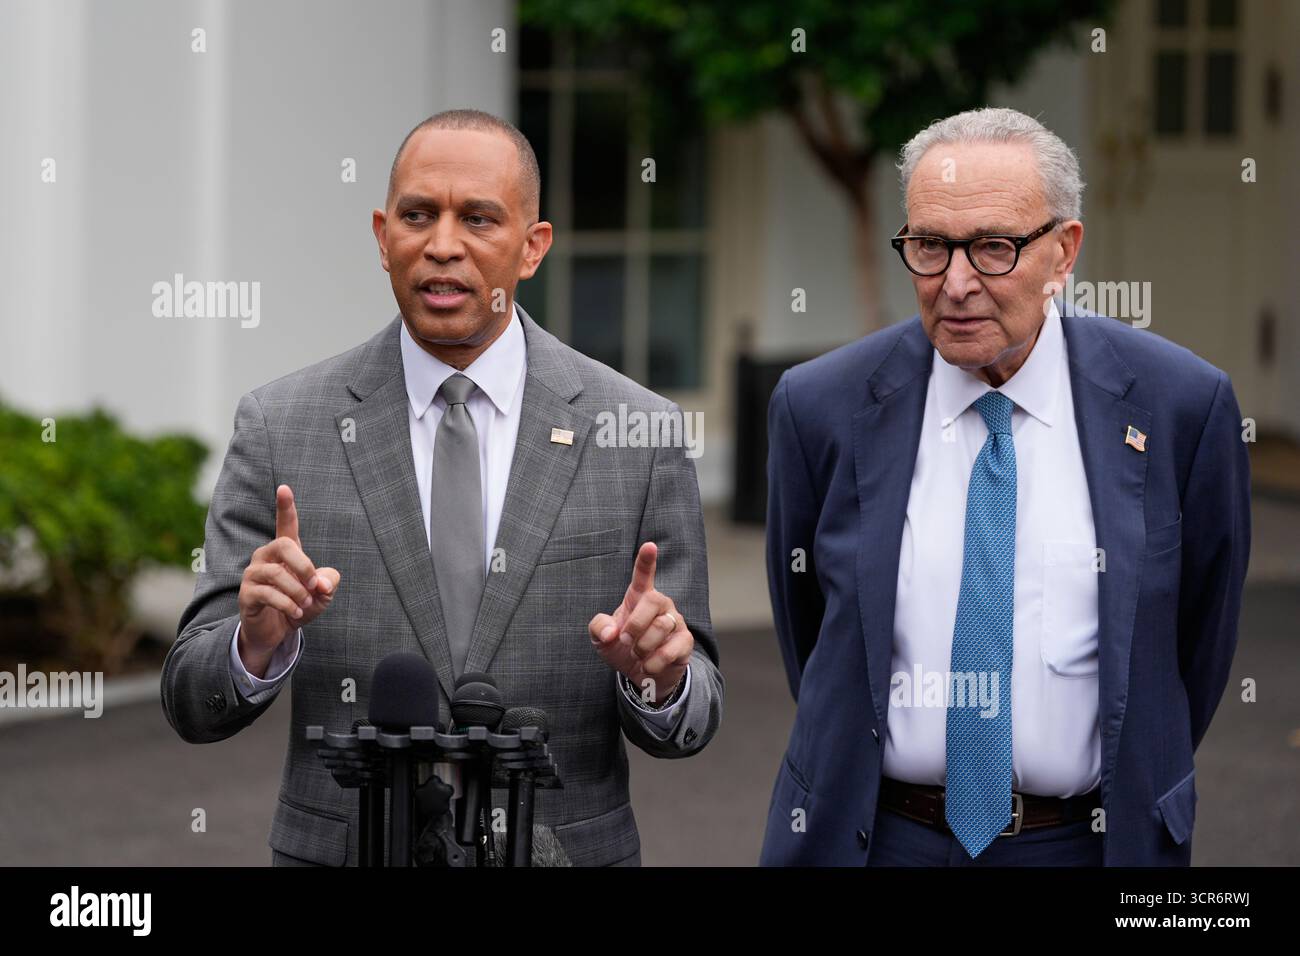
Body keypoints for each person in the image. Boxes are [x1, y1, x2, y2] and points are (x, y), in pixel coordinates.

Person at [162, 109, 723, 867]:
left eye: (479, 218)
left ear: (533, 248)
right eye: (417, 214)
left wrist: (662, 680)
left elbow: (695, 716)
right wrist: (253, 644)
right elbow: (192, 703)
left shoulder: (639, 434)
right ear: (381, 235)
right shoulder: (281, 426)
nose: (443, 244)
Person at [759, 107, 1249, 866]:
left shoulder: (1179, 405)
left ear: (1064, 252)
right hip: (876, 841)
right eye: (928, 246)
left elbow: (1194, 646)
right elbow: (814, 636)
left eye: (993, 248)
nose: (955, 284)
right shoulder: (821, 407)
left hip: (1085, 845)